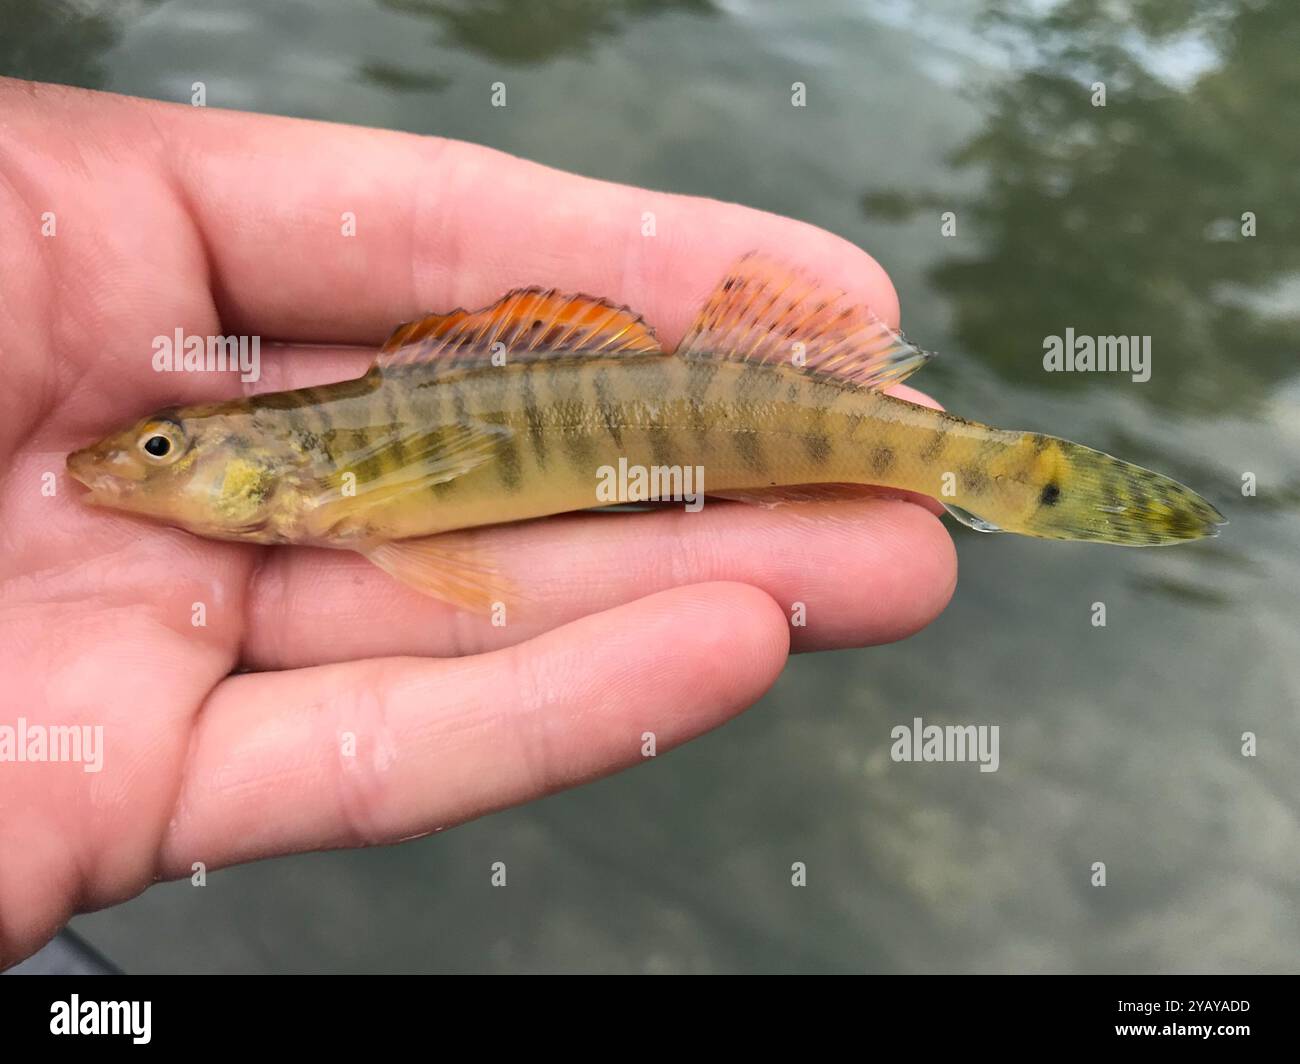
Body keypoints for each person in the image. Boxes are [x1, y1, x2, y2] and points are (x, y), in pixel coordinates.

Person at [0, 78, 956, 967]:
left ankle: (995, 477)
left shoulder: (332, 497)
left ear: (272, 467)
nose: (123, 466)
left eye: (162, 449)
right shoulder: (329, 502)